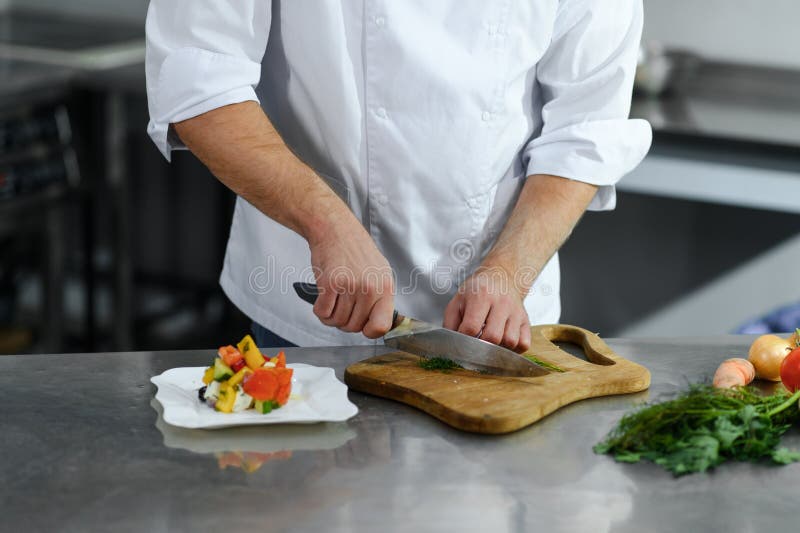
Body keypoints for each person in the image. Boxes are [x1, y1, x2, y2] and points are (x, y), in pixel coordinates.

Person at [145, 1, 651, 351]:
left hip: (499, 322)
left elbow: (586, 126)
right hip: (309, 311)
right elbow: (199, 83)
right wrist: (327, 225)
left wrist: (509, 271)